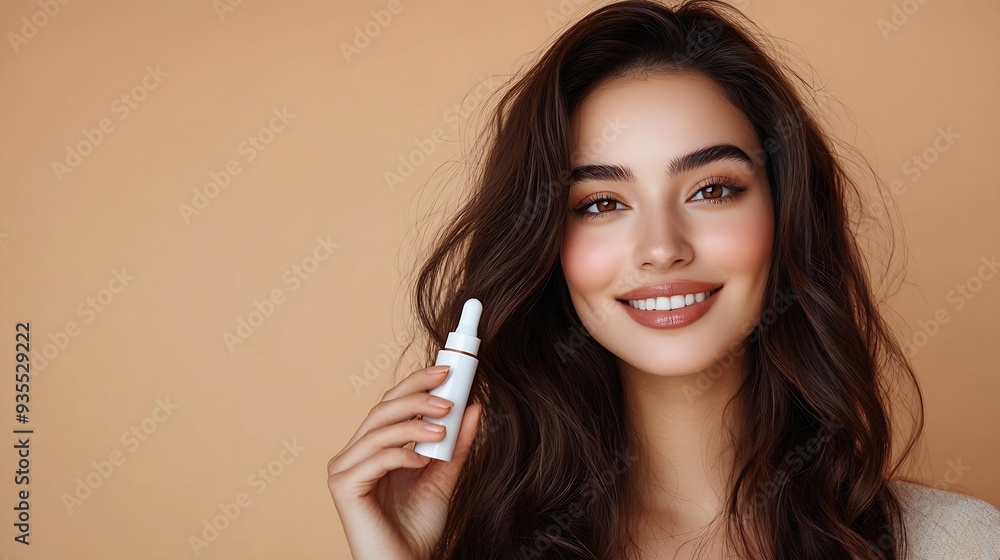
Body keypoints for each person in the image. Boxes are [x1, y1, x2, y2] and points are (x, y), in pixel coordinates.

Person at [327, 1, 1000, 558]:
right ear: (547, 245)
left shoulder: (959, 544)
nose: (661, 249)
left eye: (712, 189)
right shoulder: (478, 546)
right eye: (601, 203)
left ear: (786, 214)